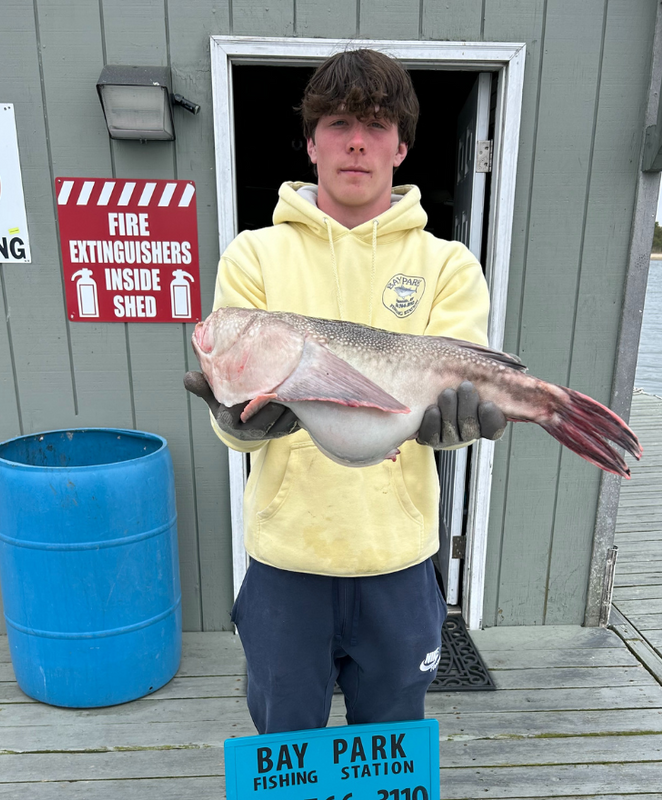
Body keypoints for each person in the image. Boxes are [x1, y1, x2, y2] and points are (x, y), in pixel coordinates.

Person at [184, 48, 506, 735]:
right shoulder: (253, 256)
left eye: (377, 123)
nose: (356, 140)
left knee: (388, 746)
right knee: (286, 746)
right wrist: (240, 423)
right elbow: (232, 411)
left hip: (399, 559)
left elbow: (457, 391)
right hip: (285, 561)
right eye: (336, 122)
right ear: (310, 141)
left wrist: (460, 424)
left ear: (402, 144)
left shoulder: (447, 265)